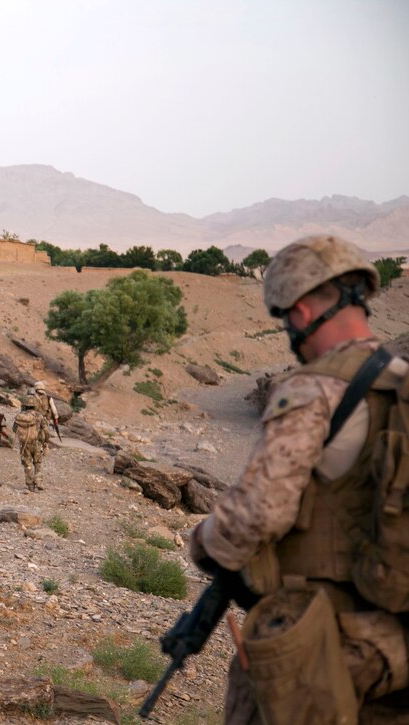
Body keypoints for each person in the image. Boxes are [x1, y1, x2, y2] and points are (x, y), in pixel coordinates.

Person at [188, 235, 409, 724]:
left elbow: (259, 511)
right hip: (394, 644)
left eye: (286, 317)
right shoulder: (400, 380)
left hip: (320, 640)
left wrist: (202, 541)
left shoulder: (312, 389)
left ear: (303, 312)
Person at [12, 396, 44, 491]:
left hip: (25, 444)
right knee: (37, 463)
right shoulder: (39, 416)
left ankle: (30, 486)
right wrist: (44, 441)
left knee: (28, 464)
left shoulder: (20, 417)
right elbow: (45, 429)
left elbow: (14, 429)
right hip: (37, 443)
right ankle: (38, 480)